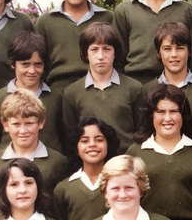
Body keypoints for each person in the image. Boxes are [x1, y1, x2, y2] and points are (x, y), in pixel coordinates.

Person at [127, 84, 192, 220]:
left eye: (174, 111)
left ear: (183, 115)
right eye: (161, 112)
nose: (167, 118)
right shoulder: (135, 153)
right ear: (151, 115)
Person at [36, 0, 114, 96]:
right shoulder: (45, 22)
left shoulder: (107, 18)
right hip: (58, 91)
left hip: (98, 88)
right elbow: (40, 63)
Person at [0, 91, 71, 213]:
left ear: (41, 122)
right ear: (5, 124)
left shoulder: (58, 162)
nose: (23, 131)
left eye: (29, 123)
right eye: (16, 124)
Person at [61, 22, 146, 152]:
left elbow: (142, 130)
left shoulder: (134, 88)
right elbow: (71, 136)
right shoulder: (72, 93)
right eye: (94, 49)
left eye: (107, 49)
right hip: (91, 158)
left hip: (126, 158)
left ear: (115, 53)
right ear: (85, 53)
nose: (100, 56)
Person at [0, 31, 65, 155]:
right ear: (13, 64)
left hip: (49, 163)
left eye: (38, 64)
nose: (32, 71)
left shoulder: (57, 98)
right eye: (25, 64)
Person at [144, 21, 192, 140]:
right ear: (158, 52)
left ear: (189, 51)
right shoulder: (146, 90)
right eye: (167, 49)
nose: (174, 54)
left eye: (180, 48)